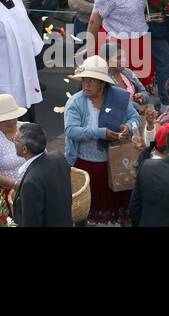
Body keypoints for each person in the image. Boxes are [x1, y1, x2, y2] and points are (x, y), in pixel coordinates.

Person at [62, 55, 140, 225]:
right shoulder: (75, 103)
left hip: (116, 165)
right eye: (84, 80)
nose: (86, 85)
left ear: (103, 83)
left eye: (92, 81)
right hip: (87, 166)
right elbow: (71, 131)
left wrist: (128, 126)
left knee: (119, 213)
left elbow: (135, 117)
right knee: (90, 214)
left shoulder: (119, 98)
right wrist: (101, 133)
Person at [15, 122, 72, 227]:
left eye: (15, 140)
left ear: (24, 149)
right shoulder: (59, 158)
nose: (13, 142)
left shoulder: (30, 183)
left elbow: (31, 222)